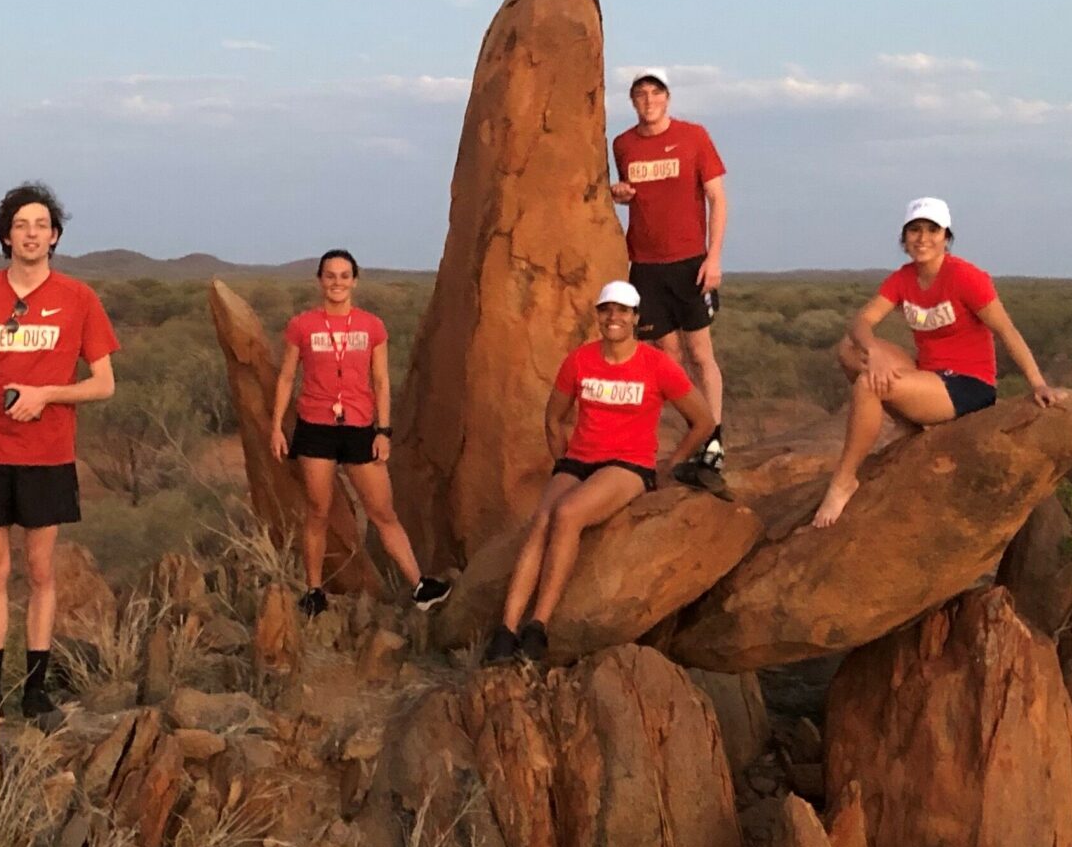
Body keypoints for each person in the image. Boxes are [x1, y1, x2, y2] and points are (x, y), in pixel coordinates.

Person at [0, 182, 119, 719]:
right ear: (5, 235)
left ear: (55, 236)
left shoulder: (78, 299)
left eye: (41, 225)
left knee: (42, 571)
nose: (31, 233)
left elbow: (104, 383)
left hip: (47, 456)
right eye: (21, 225)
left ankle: (36, 691)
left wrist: (47, 394)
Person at [485, 280, 717, 664]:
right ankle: (505, 630)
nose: (614, 317)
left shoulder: (656, 365)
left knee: (567, 514)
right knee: (542, 519)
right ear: (598, 315)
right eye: (607, 309)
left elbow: (703, 421)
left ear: (636, 318)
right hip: (580, 459)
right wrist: (563, 460)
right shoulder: (580, 360)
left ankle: (537, 626)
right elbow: (553, 418)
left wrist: (672, 464)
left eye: (623, 311)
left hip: (628, 464)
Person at [813, 197, 1061, 528]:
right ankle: (910, 427)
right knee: (849, 349)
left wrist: (1037, 383)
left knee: (869, 384)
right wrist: (872, 352)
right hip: (929, 375)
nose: (923, 238)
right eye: (914, 230)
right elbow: (861, 322)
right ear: (904, 238)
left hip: (968, 385)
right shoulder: (903, 279)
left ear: (946, 236)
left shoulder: (966, 277)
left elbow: (1007, 331)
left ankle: (844, 480)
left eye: (932, 229)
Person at [268, 250, 452, 618]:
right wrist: (275, 427)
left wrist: (383, 431)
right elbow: (287, 377)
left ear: (355, 280)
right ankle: (314, 589)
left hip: (358, 428)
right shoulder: (302, 325)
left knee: (383, 512)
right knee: (318, 511)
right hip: (315, 428)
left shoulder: (372, 327)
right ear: (320, 280)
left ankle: (419, 586)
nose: (337, 282)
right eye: (330, 275)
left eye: (344, 275)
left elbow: (382, 382)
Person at [609, 70, 729, 472]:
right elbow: (633, 196)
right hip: (644, 265)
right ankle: (693, 431)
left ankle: (713, 438)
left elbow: (717, 198)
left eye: (655, 92)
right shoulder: (623, 144)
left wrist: (713, 258)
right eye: (640, 94)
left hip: (689, 261)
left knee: (699, 352)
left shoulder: (694, 136)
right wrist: (618, 193)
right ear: (632, 101)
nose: (648, 100)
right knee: (666, 356)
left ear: (667, 97)